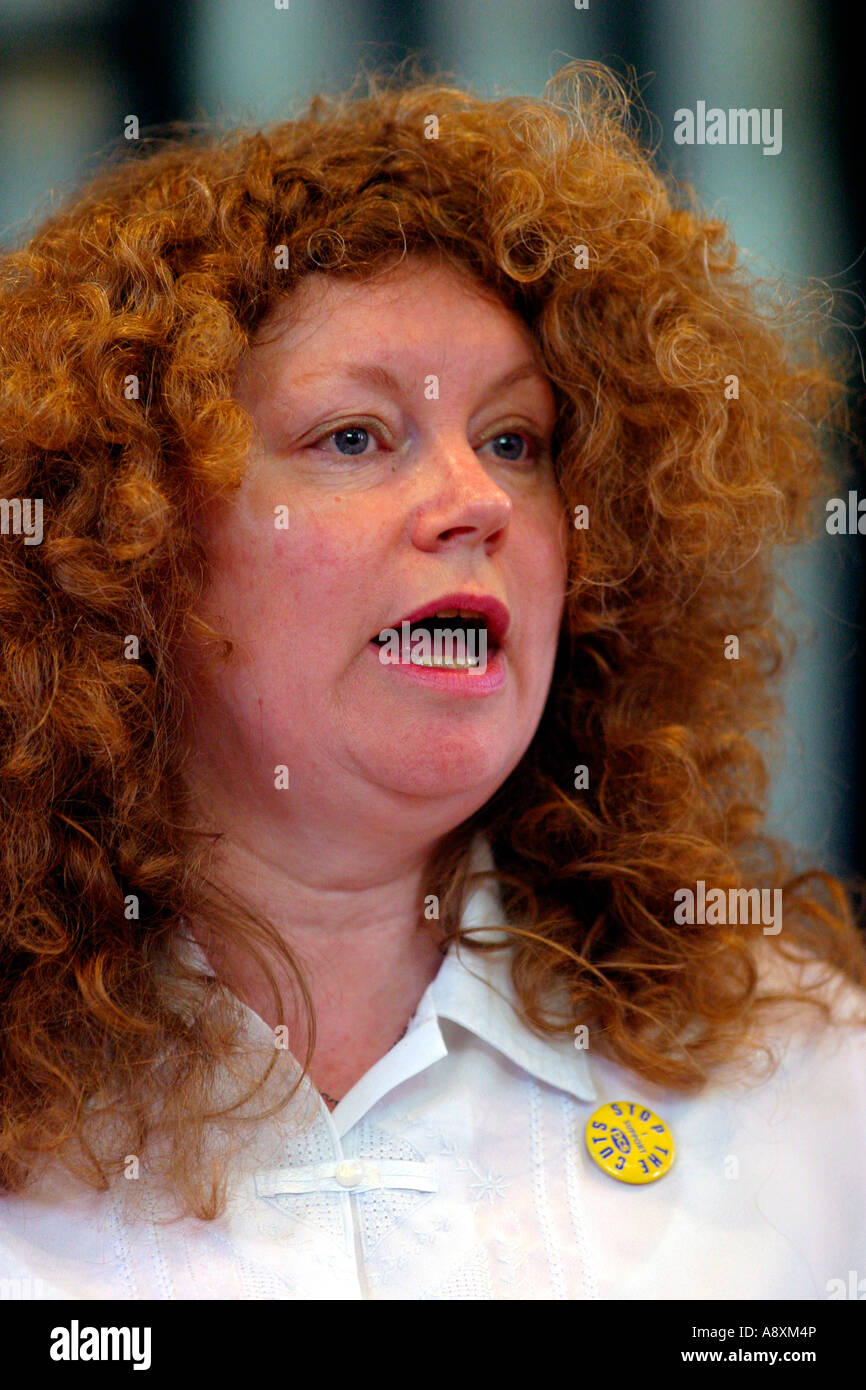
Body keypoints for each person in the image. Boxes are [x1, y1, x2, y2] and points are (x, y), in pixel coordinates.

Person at [1, 61, 864, 1301]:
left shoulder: (796, 1086)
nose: (475, 502)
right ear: (127, 543)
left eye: (514, 442)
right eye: (352, 437)